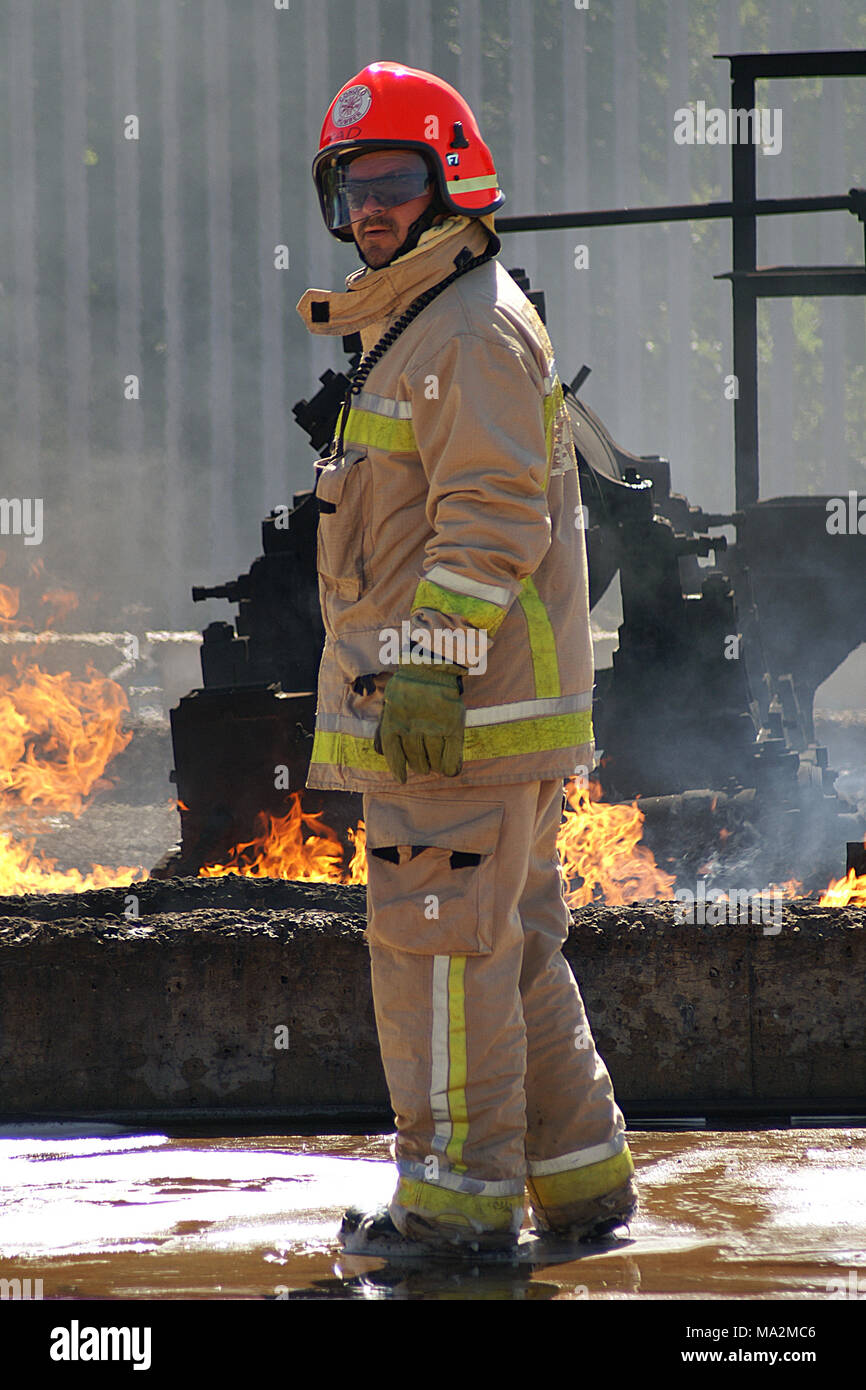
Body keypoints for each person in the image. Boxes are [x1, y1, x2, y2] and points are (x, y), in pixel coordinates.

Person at [297, 60, 637, 1253]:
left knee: (436, 947)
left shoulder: (466, 326)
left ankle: (450, 1207)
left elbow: (492, 516)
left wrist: (430, 667)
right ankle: (581, 1180)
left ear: (451, 178)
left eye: (392, 176)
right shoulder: (428, 318)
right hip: (481, 717)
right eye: (350, 188)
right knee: (508, 946)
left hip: (453, 720)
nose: (371, 207)